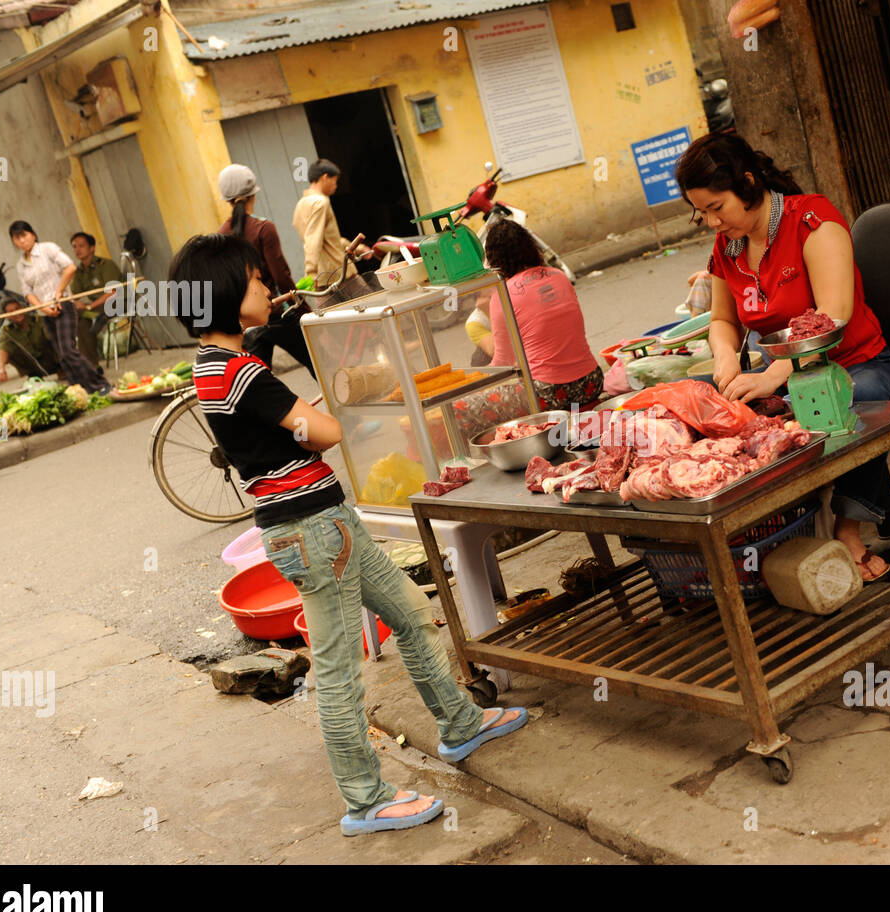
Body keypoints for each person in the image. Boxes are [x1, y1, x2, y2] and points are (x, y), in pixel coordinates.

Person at [168, 232, 527, 836]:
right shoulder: (239, 371)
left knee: (412, 613)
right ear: (228, 293)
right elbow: (326, 432)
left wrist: (312, 412)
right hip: (311, 529)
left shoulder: (212, 365)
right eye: (255, 279)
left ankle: (460, 723)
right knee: (336, 668)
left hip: (325, 522)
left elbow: (291, 427)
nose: (265, 286)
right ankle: (366, 798)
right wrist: (336, 406)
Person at [675, 132, 890, 582]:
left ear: (747, 183)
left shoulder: (813, 222)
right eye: (699, 213)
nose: (710, 223)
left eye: (716, 208)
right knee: (701, 413)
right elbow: (723, 320)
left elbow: (833, 317)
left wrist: (770, 377)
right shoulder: (730, 246)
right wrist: (726, 360)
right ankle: (768, 536)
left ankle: (847, 528)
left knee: (844, 404)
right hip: (781, 371)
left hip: (856, 365)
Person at [483, 219, 604, 411]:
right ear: (531, 247)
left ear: (494, 260)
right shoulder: (559, 276)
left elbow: (503, 361)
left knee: (477, 405)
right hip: (592, 382)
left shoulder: (502, 295)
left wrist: (476, 382)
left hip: (548, 392)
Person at [215, 164, 314, 374]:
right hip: (275, 313)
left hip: (247, 321)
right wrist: (303, 308)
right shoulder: (263, 228)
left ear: (226, 199)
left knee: (256, 380)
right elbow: (281, 277)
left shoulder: (220, 235)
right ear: (253, 195)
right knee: (320, 365)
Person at [10, 220, 110, 394]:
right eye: (16, 238)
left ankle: (100, 383)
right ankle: (79, 390)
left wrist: (58, 294)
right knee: (61, 356)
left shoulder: (48, 249)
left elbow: (70, 268)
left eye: (24, 235)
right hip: (45, 313)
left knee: (68, 350)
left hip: (63, 305)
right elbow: (27, 291)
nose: (22, 241)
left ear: (32, 234)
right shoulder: (21, 265)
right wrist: (43, 308)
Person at [292, 159, 358, 289]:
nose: (336, 186)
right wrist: (310, 273)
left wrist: (357, 247)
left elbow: (327, 239)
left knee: (328, 310)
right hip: (339, 273)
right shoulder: (321, 202)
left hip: (322, 280)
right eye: (335, 181)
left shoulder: (300, 205)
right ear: (325, 177)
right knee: (369, 304)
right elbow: (313, 239)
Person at [69, 231, 122, 367]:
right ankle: (90, 365)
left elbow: (113, 292)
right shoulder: (79, 271)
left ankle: (90, 365)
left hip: (118, 303)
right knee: (77, 318)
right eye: (74, 246)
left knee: (83, 319)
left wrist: (89, 307)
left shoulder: (105, 265)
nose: (77, 250)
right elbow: (73, 294)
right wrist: (73, 302)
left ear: (92, 248)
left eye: (81, 246)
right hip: (97, 307)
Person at [0, 296, 60, 382]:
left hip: (50, 358)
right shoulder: (8, 331)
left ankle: (61, 369)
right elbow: (3, 348)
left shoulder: (38, 319)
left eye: (17, 308)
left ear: (23, 308)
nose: (16, 313)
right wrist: (1, 369)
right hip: (33, 362)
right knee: (8, 352)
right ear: (7, 317)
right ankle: (33, 375)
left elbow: (53, 338)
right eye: (11, 312)